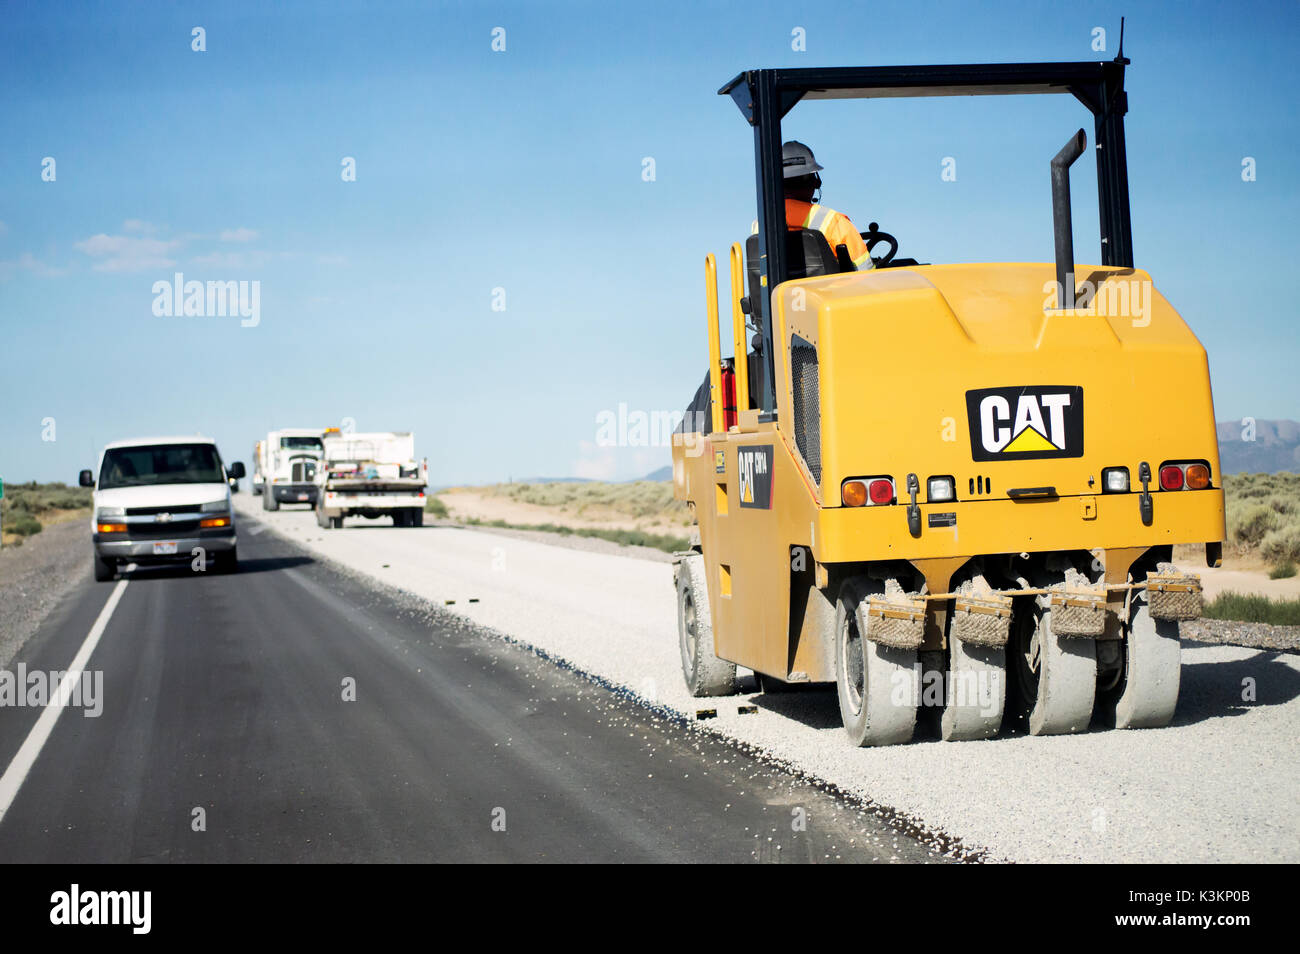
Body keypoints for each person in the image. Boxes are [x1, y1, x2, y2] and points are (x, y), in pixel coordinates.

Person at [766, 140, 873, 270]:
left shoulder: (761, 224)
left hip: (778, 291)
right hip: (830, 291)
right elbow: (866, 273)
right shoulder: (834, 222)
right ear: (815, 181)